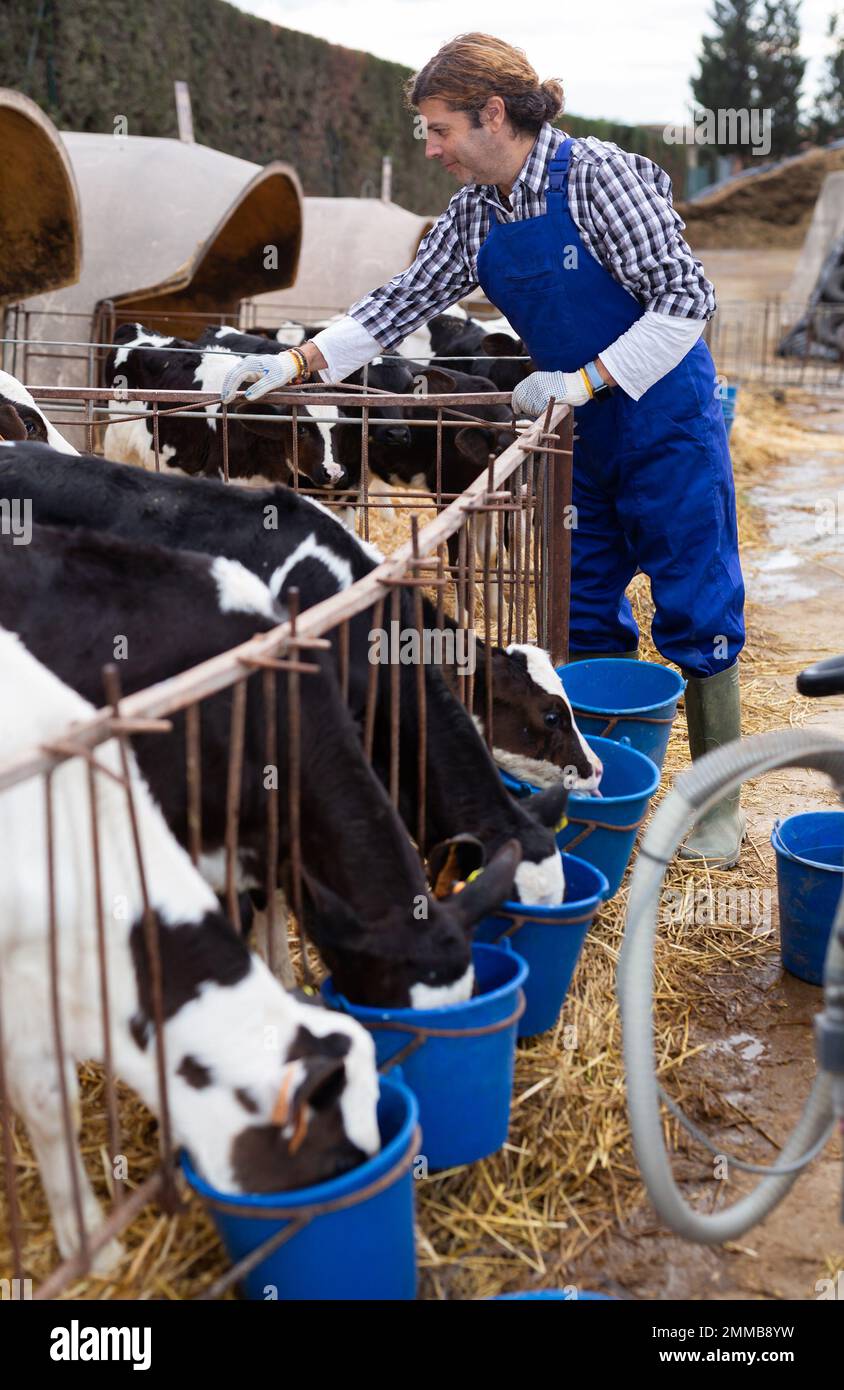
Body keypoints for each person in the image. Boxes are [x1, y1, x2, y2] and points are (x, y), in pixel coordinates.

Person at [222, 32, 746, 866]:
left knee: (697, 605)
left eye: (439, 130)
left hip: (663, 419)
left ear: (492, 114)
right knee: (583, 607)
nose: (430, 149)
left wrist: (587, 379)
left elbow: (687, 299)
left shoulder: (600, 178)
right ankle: (605, 789)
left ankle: (717, 803)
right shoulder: (476, 212)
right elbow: (403, 302)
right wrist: (295, 361)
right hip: (574, 438)